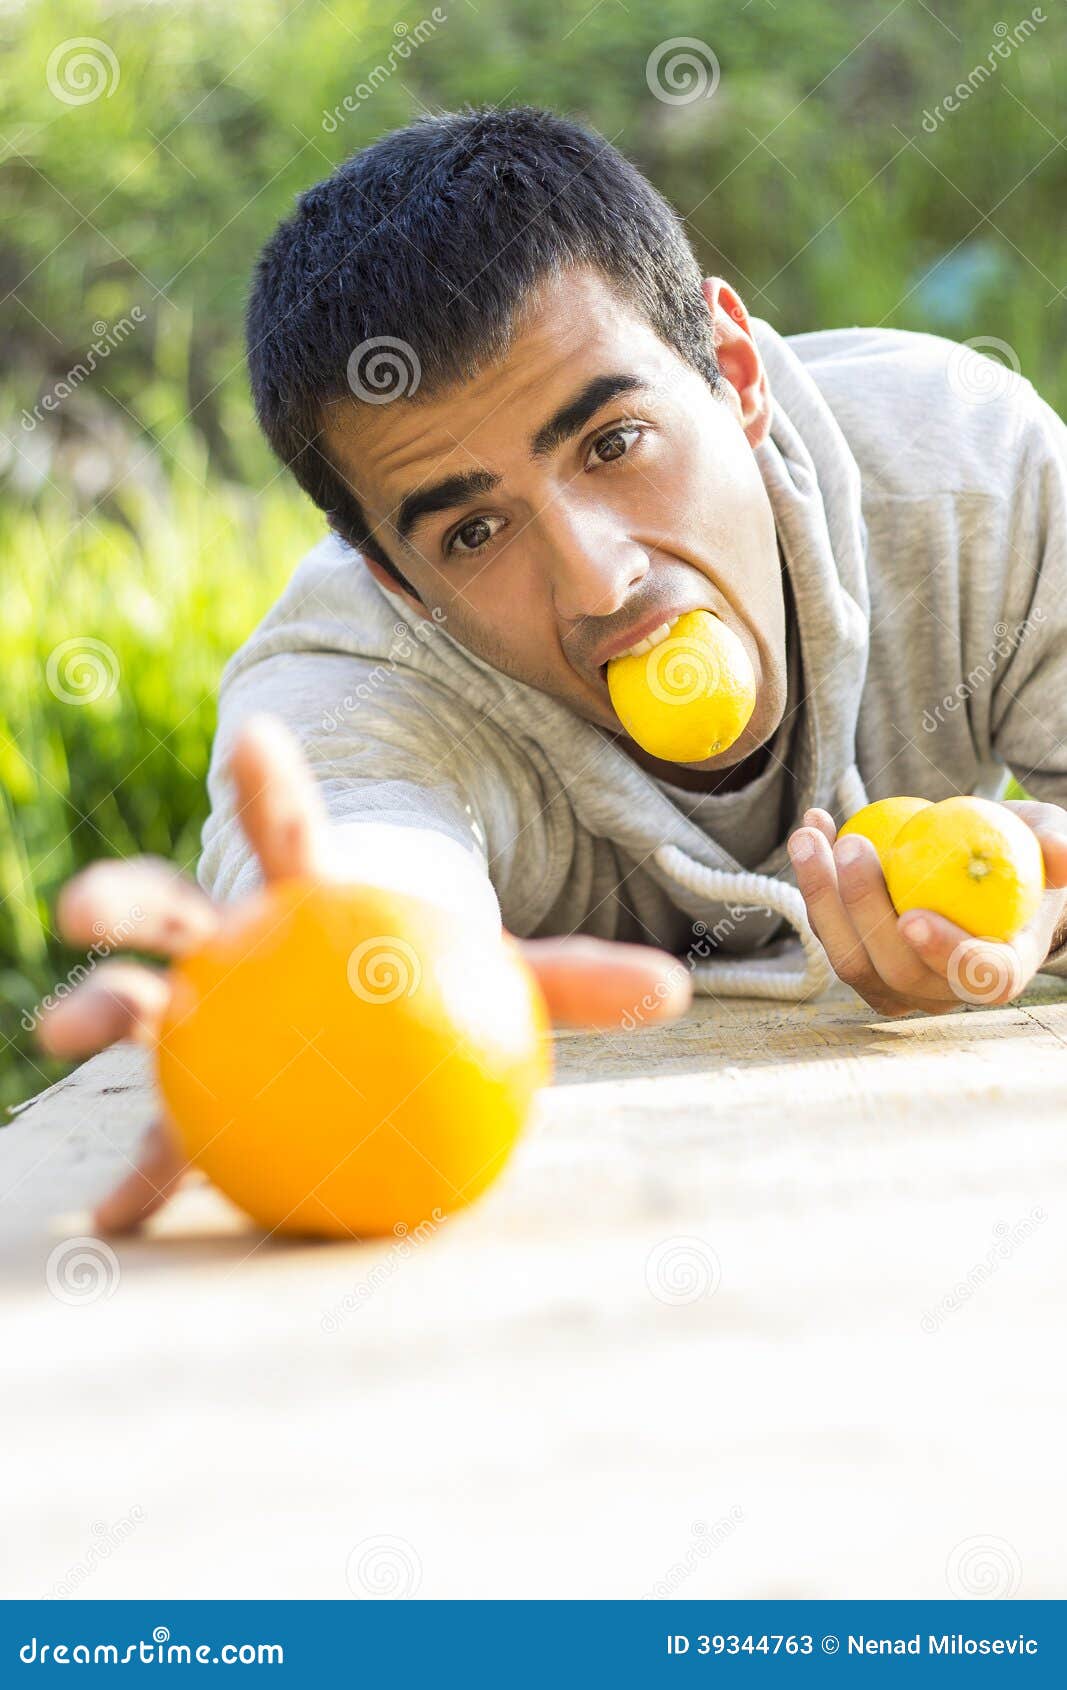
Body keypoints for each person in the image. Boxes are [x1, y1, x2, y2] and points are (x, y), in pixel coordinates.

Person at [40, 104, 1067, 1228]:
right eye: (472, 533)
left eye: (613, 444)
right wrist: (323, 991)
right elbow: (358, 871)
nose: (596, 580)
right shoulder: (346, 688)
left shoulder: (967, 476)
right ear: (398, 585)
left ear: (733, 370)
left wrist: (1047, 912)